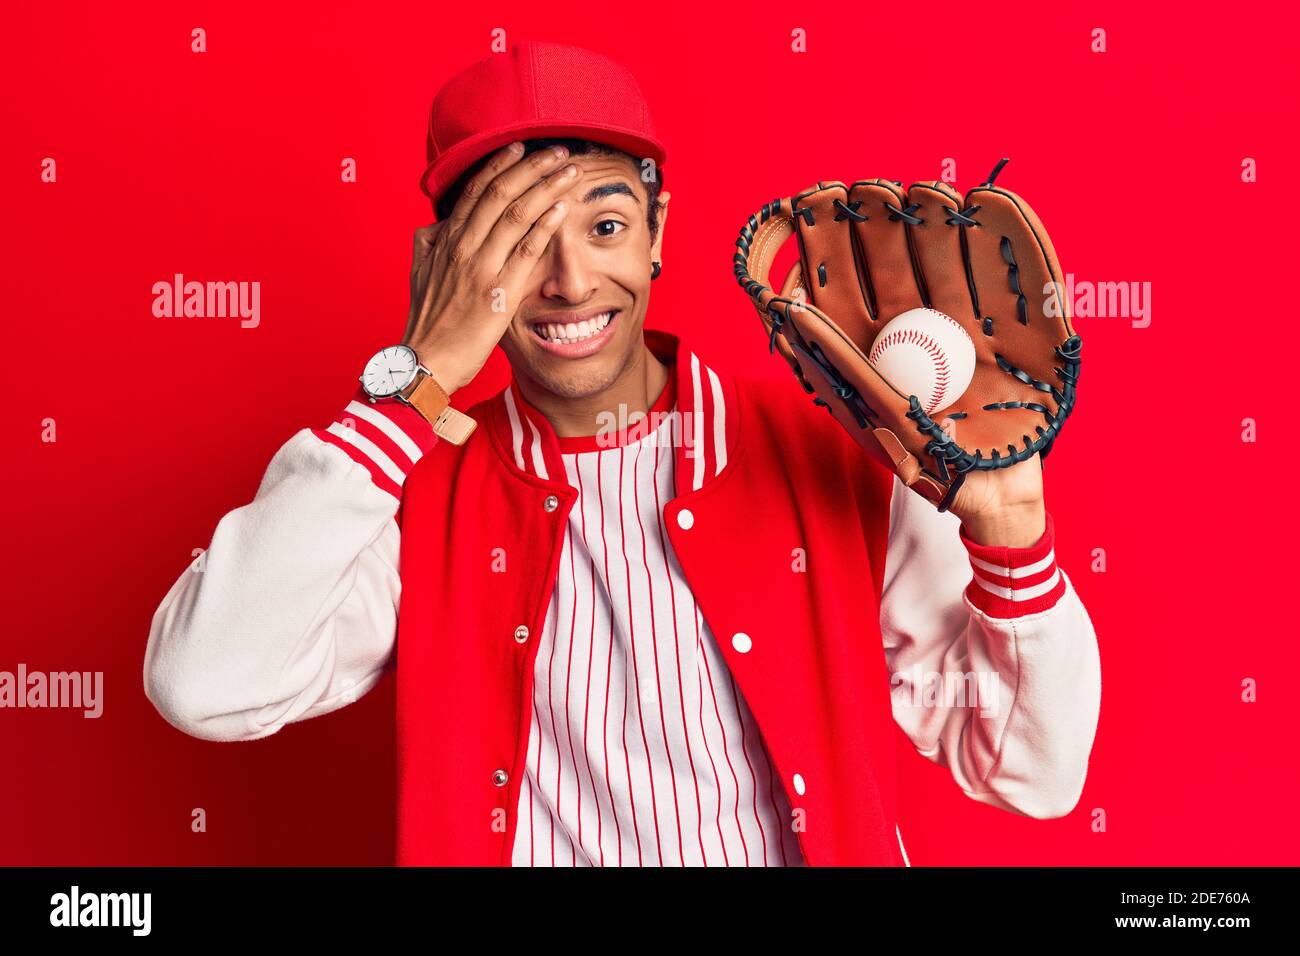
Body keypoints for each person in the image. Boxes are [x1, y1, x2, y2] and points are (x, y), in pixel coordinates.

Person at [143, 40, 1101, 867]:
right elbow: (205, 682)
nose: (567, 281)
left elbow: (1033, 773)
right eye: (516, 244)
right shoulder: (406, 500)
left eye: (605, 226)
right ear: (450, 267)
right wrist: (412, 381)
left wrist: (1016, 538)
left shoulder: (836, 453)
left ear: (657, 236)